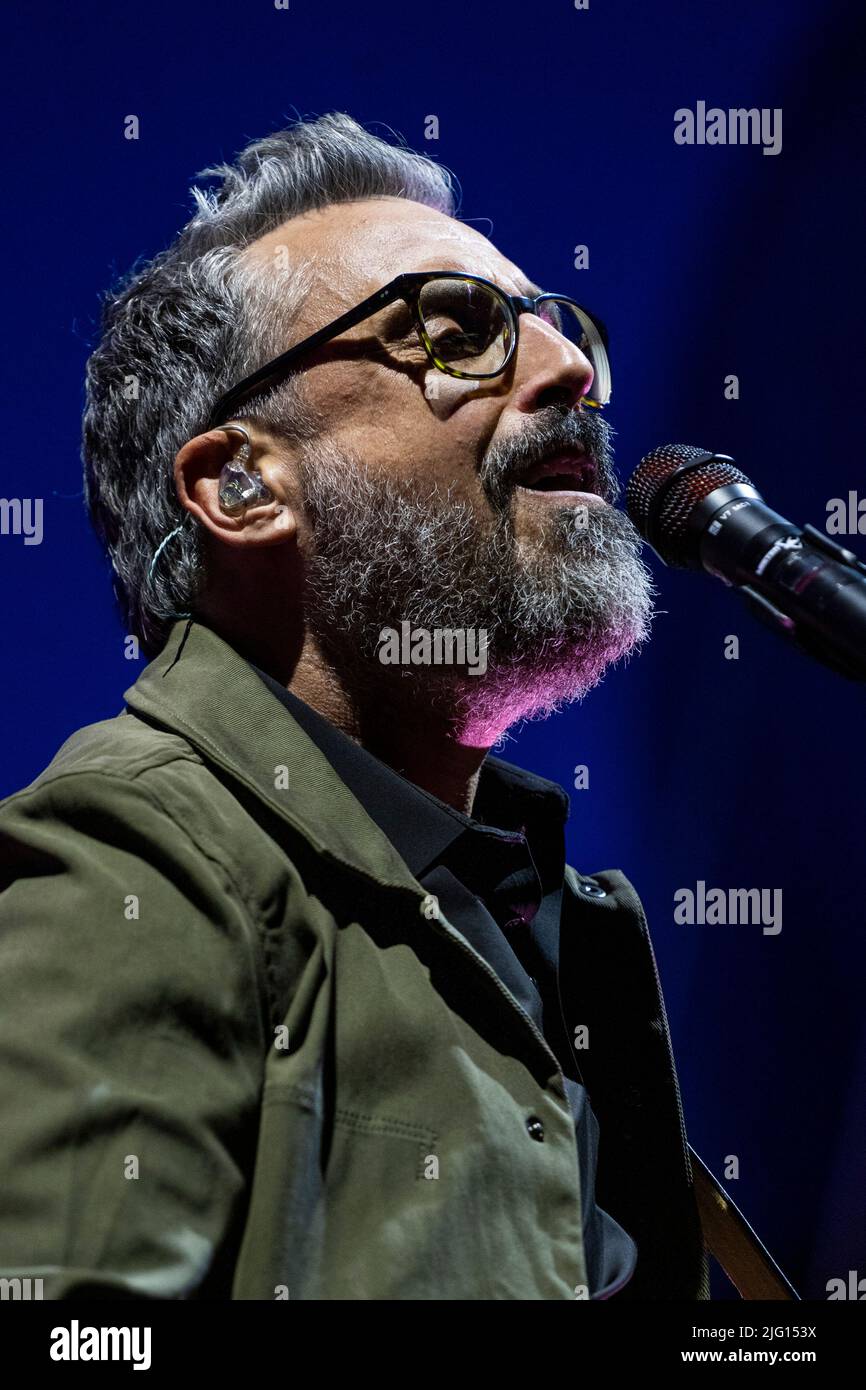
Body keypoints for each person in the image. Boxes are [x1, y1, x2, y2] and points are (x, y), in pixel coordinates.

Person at [0, 112, 707, 1300]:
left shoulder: (547, 924)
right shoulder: (135, 853)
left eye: (554, 325)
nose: (568, 369)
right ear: (238, 486)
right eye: (458, 328)